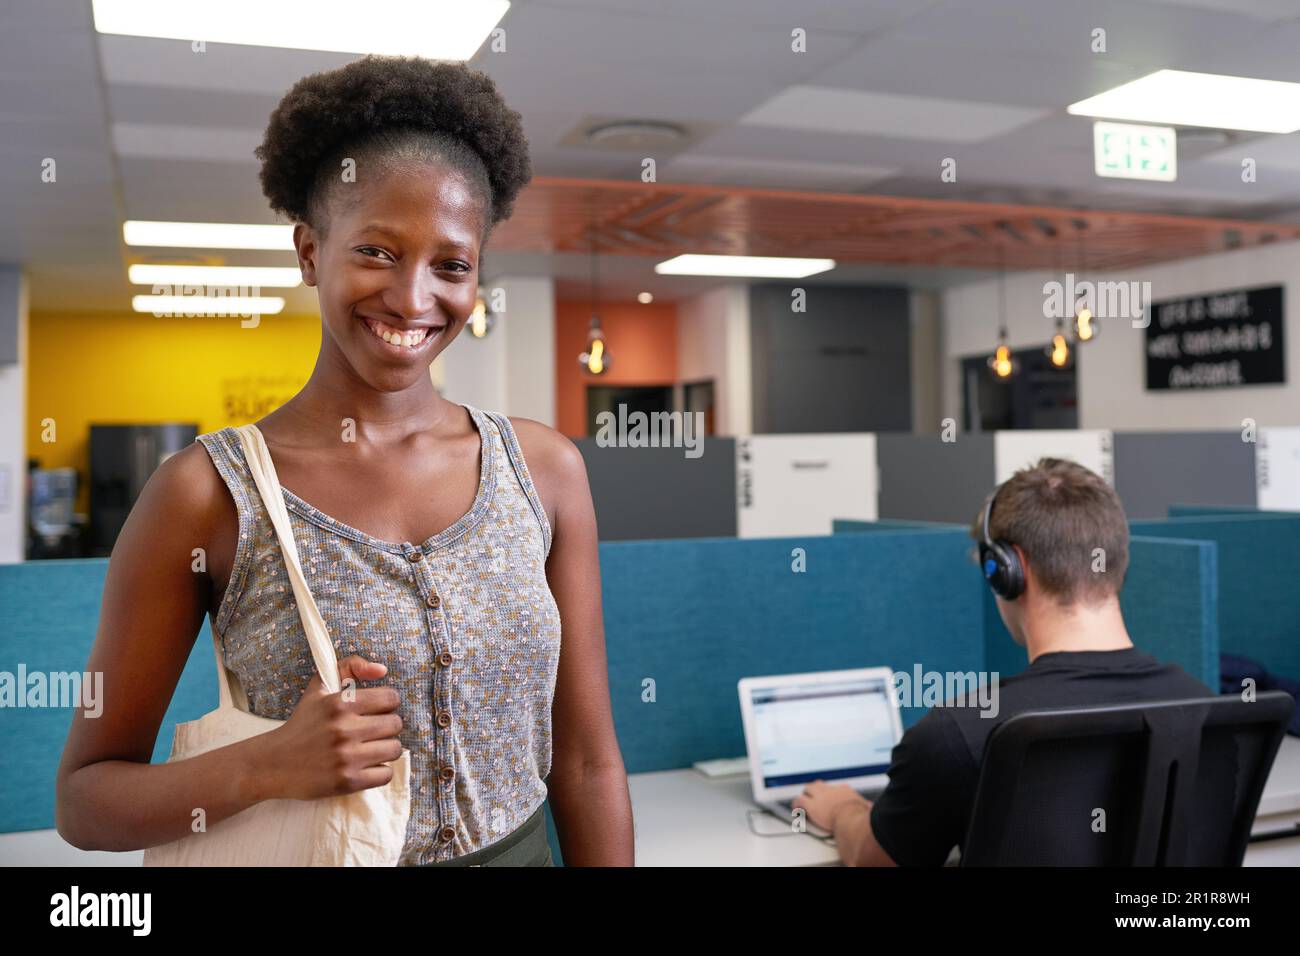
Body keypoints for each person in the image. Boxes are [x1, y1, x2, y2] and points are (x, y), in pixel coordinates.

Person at [55, 56, 633, 866]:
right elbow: (85, 800)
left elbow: (585, 760)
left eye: (452, 264)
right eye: (377, 251)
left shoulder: (544, 471)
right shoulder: (205, 495)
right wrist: (264, 766)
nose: (413, 296)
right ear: (309, 250)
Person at [793, 457, 1226, 866]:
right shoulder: (1206, 710)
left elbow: (876, 860)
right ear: (1116, 563)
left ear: (1006, 570)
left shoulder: (958, 734)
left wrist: (843, 809)